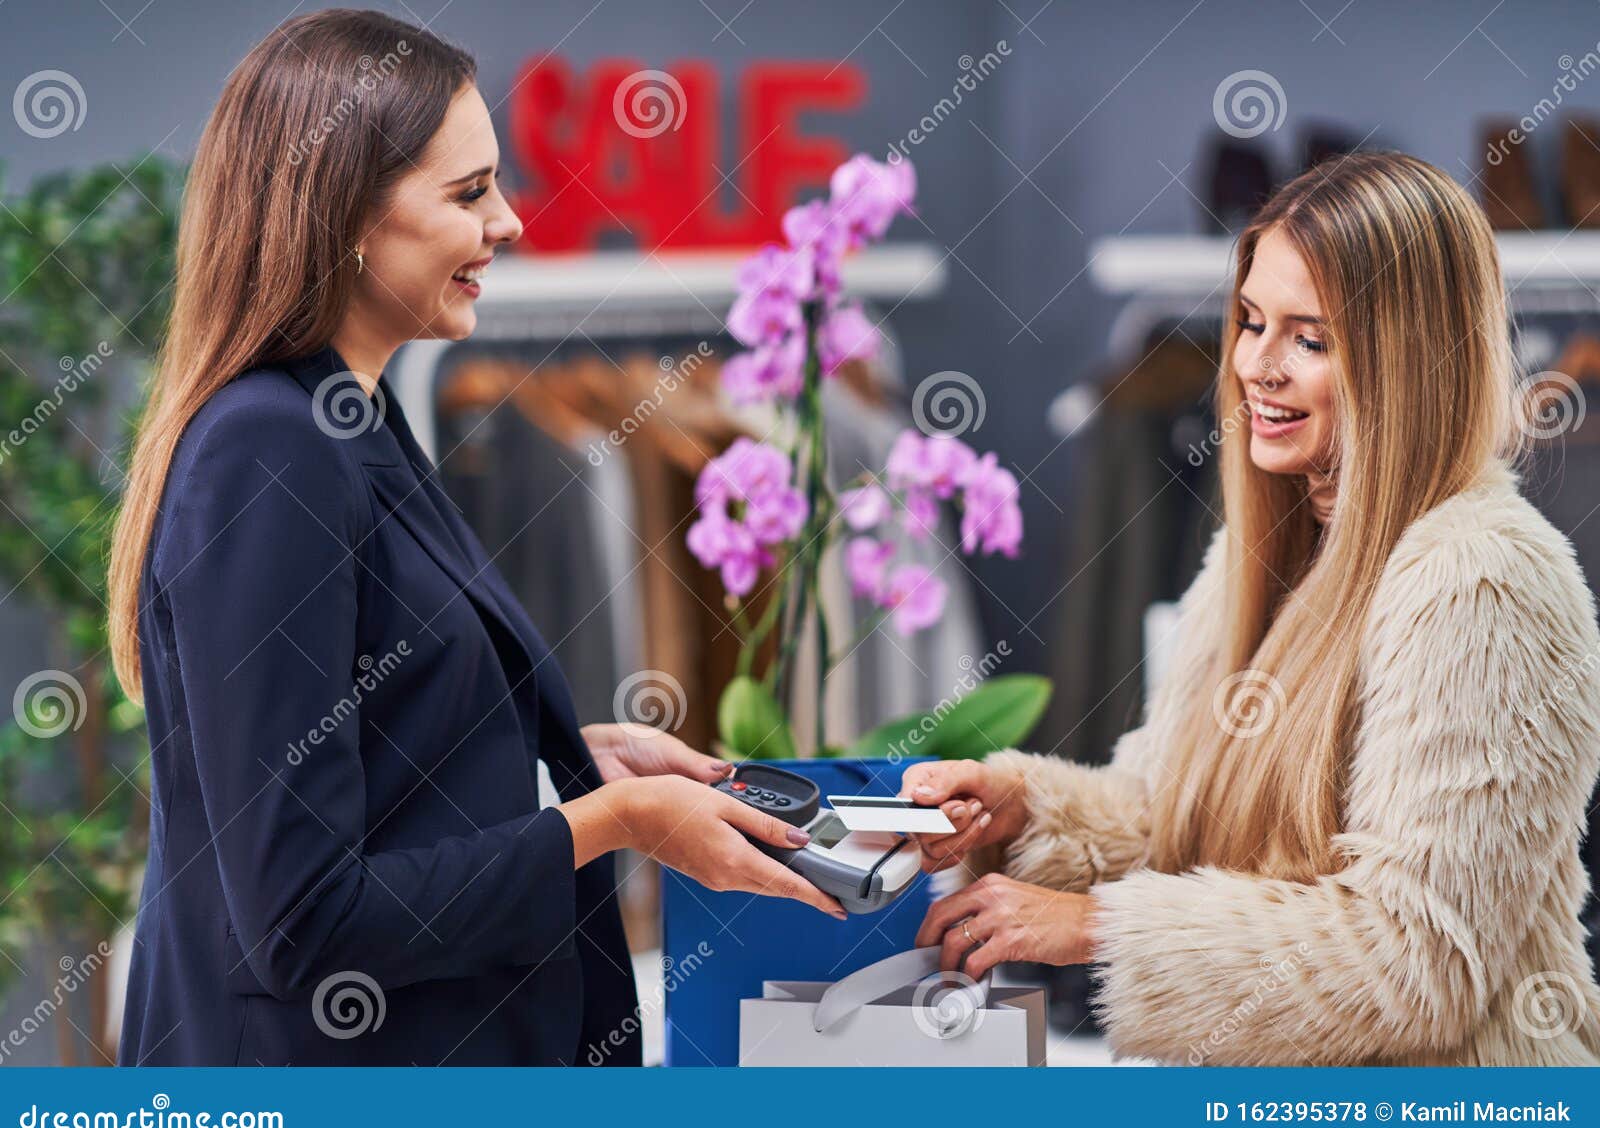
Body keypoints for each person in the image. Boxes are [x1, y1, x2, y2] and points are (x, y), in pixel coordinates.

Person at [106, 8, 843, 1068]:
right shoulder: (271, 451)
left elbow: (370, 771)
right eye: (468, 193)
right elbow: (303, 917)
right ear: (347, 215)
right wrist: (617, 820)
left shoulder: (352, 420)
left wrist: (570, 762)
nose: (508, 223)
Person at [904, 151, 1600, 1066]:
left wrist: (1101, 928)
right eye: (1250, 323)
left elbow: (1416, 961)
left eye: (1310, 340)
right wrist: (1023, 809)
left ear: (1410, 358)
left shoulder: (1482, 581)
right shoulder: (1261, 550)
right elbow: (1174, 815)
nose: (1255, 368)